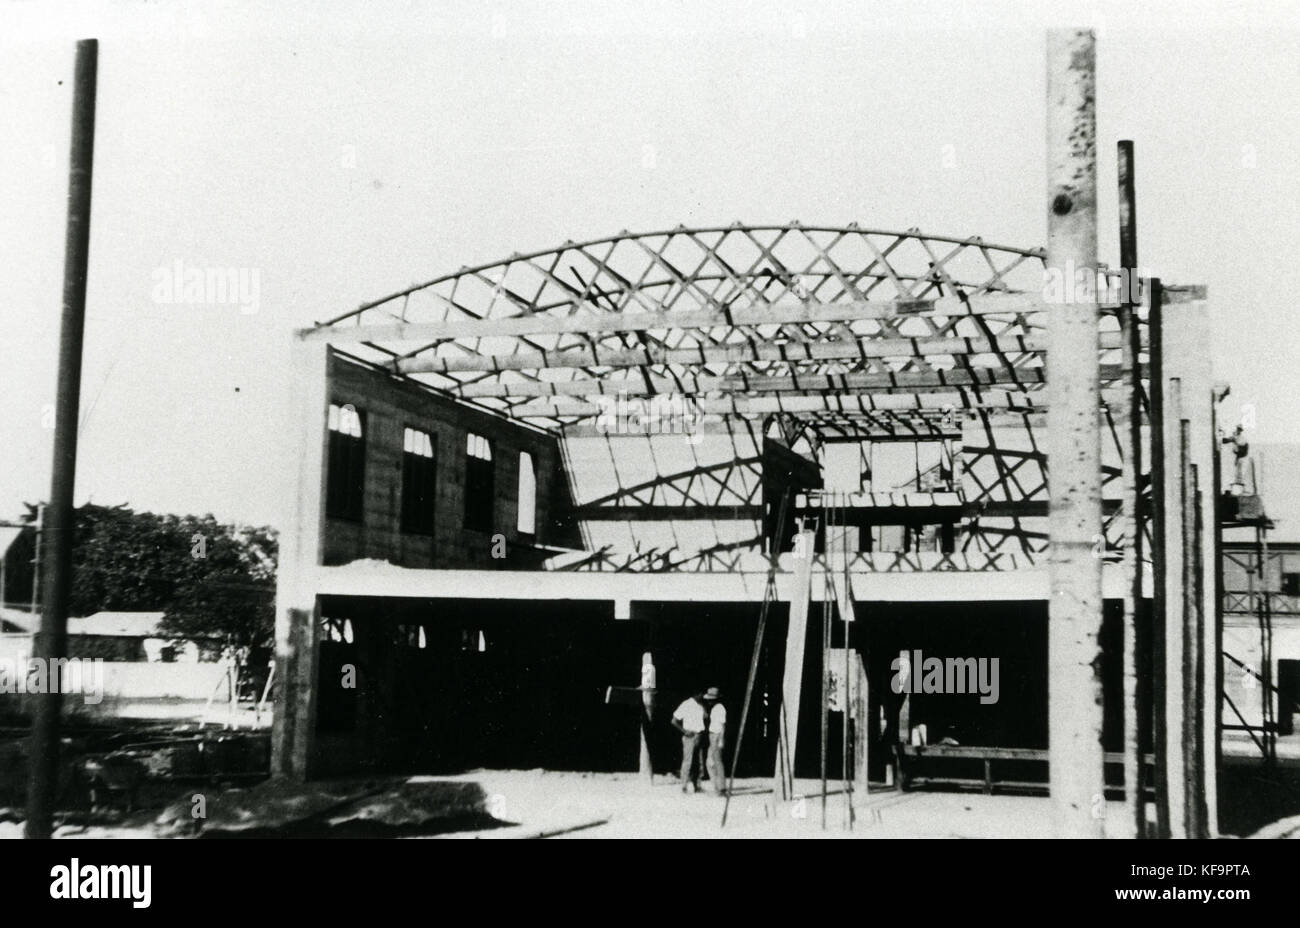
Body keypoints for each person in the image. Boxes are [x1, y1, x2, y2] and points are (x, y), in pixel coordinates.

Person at [671, 690, 709, 793]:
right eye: (701, 694)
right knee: (688, 761)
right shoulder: (686, 704)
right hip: (690, 735)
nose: (702, 696)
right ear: (696, 693)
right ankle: (684, 786)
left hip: (699, 735)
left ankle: (697, 785)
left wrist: (703, 708)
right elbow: (674, 720)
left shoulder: (701, 705)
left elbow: (705, 717)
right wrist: (684, 731)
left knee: (699, 762)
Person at [703, 687, 727, 795]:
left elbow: (723, 725)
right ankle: (717, 786)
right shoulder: (714, 709)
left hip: (716, 735)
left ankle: (720, 788)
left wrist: (721, 739)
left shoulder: (720, 708)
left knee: (716, 762)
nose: (709, 701)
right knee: (711, 762)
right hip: (712, 735)